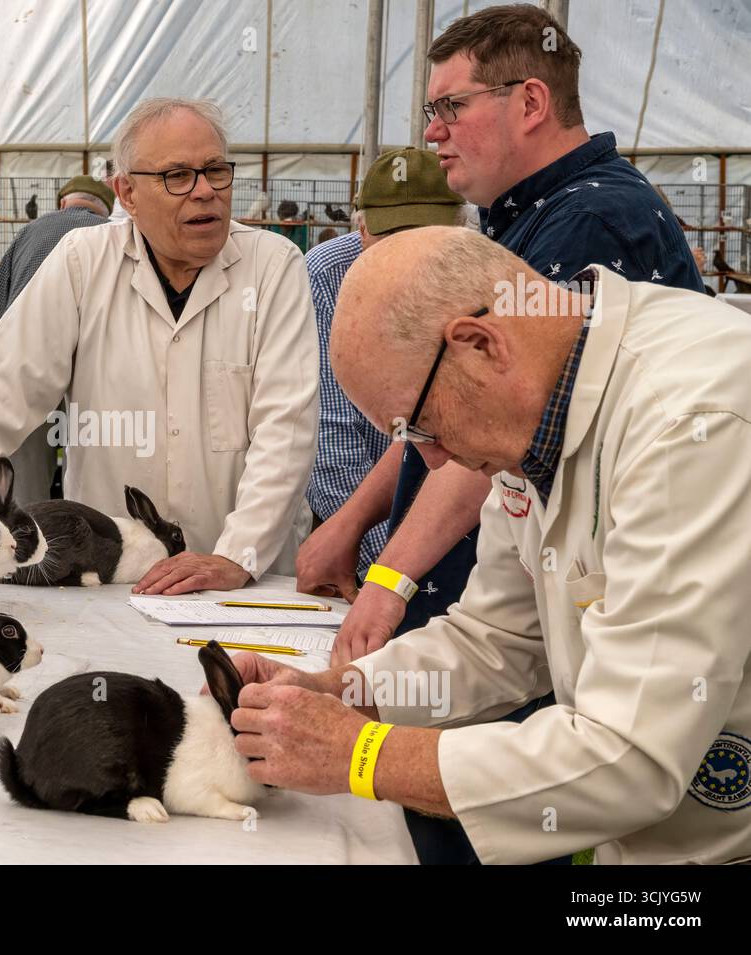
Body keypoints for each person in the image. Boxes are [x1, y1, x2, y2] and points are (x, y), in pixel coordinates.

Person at [228, 225, 751, 865]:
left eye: (418, 427)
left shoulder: (690, 424)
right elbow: (496, 639)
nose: (430, 458)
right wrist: (338, 693)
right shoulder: (535, 408)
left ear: (479, 344)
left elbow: (628, 758)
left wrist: (360, 754)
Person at [301, 3, 704, 665]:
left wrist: (390, 573)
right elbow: (444, 415)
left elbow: (492, 421)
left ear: (531, 102)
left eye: (451, 106)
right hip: (506, 617)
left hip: (558, 636)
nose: (432, 131)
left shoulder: (592, 220)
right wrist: (355, 521)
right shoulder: (534, 215)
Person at [0, 98, 319, 594]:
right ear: (127, 193)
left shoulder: (273, 266)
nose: (205, 192)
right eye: (178, 175)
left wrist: (235, 555)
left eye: (216, 171)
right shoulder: (82, 262)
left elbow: (286, 426)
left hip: (245, 585)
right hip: (110, 580)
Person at [303, 148, 465, 579]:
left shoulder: (485, 270)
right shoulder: (325, 275)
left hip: (456, 522)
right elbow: (332, 435)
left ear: (463, 227)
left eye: (424, 234)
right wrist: (388, 569)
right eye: (389, 235)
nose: (405, 251)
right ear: (361, 229)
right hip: (359, 529)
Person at [0, 174, 116, 504]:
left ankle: (29, 541)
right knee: (87, 476)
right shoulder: (111, 236)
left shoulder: (29, 232)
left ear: (63, 202)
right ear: (105, 210)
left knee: (25, 479)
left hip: (27, 368)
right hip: (91, 377)